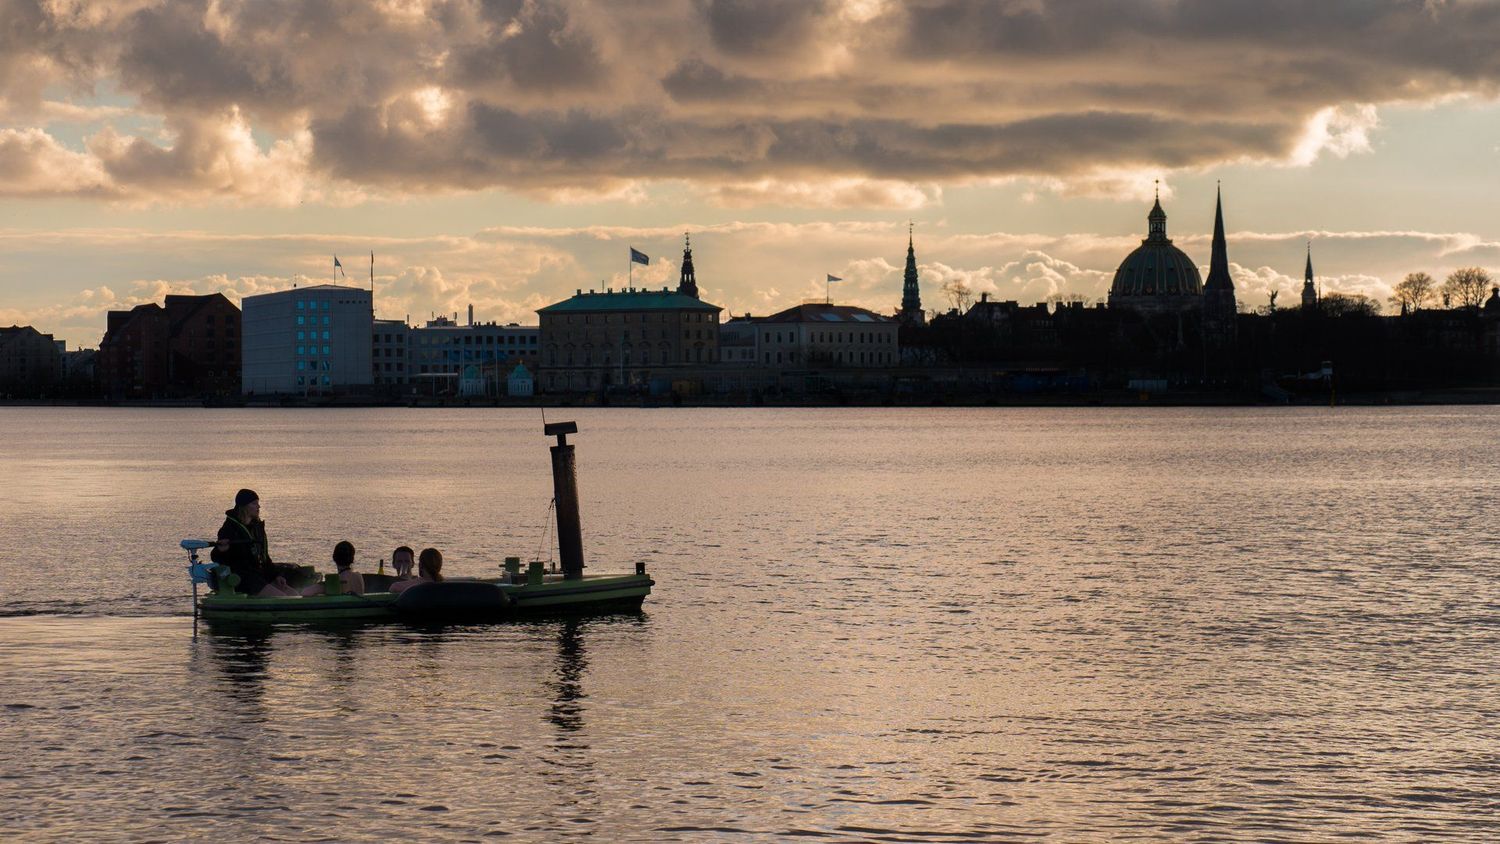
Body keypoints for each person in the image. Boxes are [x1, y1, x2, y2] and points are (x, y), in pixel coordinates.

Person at [211, 489, 299, 597]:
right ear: (243, 506)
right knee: (282, 597)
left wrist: (275, 576)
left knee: (294, 594)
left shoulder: (257, 527)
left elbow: (264, 557)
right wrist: (221, 551)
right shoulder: (229, 529)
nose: (259, 507)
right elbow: (217, 557)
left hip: (259, 574)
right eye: (254, 503)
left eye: (258, 503)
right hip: (243, 578)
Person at [301, 540, 365, 596]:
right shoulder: (359, 576)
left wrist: (318, 582)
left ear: (334, 558)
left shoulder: (334, 581)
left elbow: (305, 593)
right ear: (352, 558)